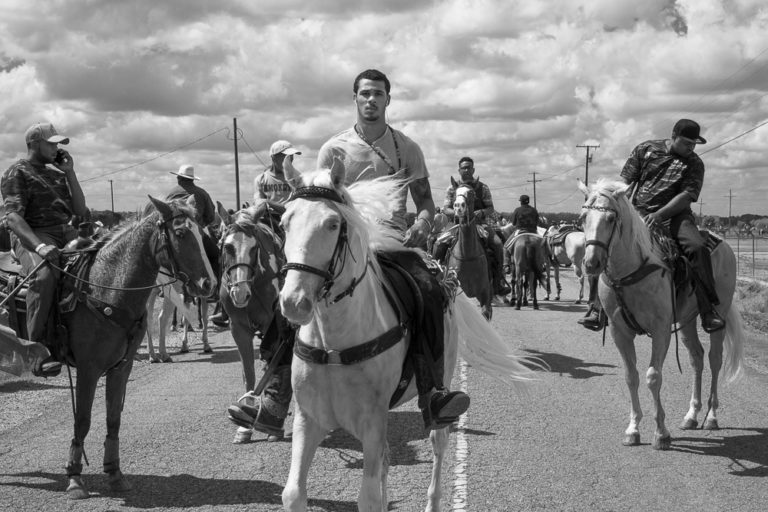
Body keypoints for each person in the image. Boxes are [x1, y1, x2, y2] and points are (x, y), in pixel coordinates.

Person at [318, 68, 470, 429]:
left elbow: (426, 203)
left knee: (431, 293)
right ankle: (275, 390)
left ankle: (433, 391)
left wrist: (422, 223)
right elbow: (322, 202)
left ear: (388, 99)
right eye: (365, 94)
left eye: (378, 94)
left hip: (391, 242)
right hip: (343, 246)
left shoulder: (406, 148)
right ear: (354, 98)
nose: (371, 100)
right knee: (294, 286)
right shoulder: (333, 149)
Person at [579, 118, 724, 333]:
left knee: (696, 247)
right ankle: (597, 307)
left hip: (676, 216)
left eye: (694, 144)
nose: (691, 148)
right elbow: (625, 183)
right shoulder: (646, 149)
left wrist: (659, 214)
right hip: (637, 211)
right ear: (673, 136)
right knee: (604, 244)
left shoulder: (695, 163)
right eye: (686, 142)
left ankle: (707, 308)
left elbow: (687, 196)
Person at [0, 122, 87, 377]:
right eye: (51, 143)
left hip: (65, 231)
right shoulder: (16, 172)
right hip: (33, 232)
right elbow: (14, 218)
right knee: (44, 276)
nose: (56, 148)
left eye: (57, 144)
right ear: (34, 144)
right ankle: (37, 351)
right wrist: (39, 245)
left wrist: (70, 172)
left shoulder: (58, 174)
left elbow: (80, 211)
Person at [440, 156, 509, 296]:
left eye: (469, 167)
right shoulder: (452, 188)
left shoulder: (482, 187)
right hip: (456, 224)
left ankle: (499, 280)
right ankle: (436, 278)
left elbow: (490, 208)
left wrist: (481, 212)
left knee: (497, 244)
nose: (466, 170)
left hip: (479, 224)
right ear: (459, 170)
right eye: (463, 167)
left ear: (473, 169)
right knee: (437, 244)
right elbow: (445, 208)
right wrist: (458, 213)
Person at [165, 165, 220, 336]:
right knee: (216, 256)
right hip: (197, 236)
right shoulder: (201, 193)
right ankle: (213, 291)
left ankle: (161, 288)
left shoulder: (170, 194)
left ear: (178, 178)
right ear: (192, 179)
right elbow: (211, 217)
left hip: (174, 237)